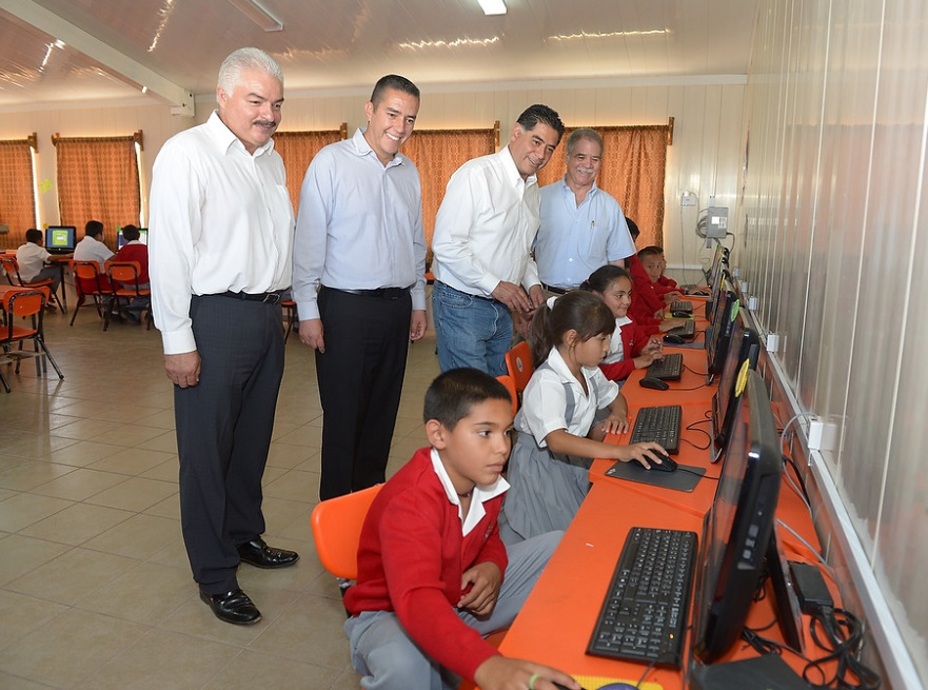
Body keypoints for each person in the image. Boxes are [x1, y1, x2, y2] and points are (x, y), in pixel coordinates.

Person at [148, 47, 298, 626]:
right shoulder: (188, 154)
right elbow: (170, 253)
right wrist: (177, 340)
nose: (268, 114)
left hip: (264, 316)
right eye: (256, 100)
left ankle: (242, 535)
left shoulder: (271, 160)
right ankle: (214, 573)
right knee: (206, 452)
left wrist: (281, 306)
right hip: (212, 318)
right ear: (222, 96)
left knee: (251, 442)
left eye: (276, 104)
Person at [344, 368, 580, 690]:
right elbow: (416, 597)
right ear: (438, 434)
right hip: (392, 614)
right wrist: (487, 665)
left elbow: (489, 536)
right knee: (405, 665)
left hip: (454, 596)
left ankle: (461, 650)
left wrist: (493, 565)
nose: (502, 448)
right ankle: (453, 656)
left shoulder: (484, 476)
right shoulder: (411, 502)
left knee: (559, 547)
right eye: (485, 433)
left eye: (506, 432)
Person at [292, 74, 427, 502]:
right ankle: (335, 514)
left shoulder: (410, 173)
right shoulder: (331, 162)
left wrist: (418, 302)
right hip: (344, 310)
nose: (400, 127)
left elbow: (415, 243)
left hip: (396, 307)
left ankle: (368, 511)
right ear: (369, 110)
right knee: (343, 419)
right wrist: (308, 311)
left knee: (382, 417)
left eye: (409, 119)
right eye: (392, 114)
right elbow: (308, 244)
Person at [501, 291, 669, 543]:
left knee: (590, 518)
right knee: (564, 539)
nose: (607, 347)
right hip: (542, 469)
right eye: (602, 339)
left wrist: (619, 414)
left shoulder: (588, 369)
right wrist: (621, 451)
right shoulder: (547, 381)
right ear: (572, 338)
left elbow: (615, 397)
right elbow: (556, 439)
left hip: (570, 457)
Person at [430, 104, 565, 376]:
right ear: (516, 132)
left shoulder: (532, 190)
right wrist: (496, 286)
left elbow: (521, 252)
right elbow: (446, 245)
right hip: (461, 303)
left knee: (498, 392)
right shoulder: (477, 175)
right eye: (536, 141)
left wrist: (533, 283)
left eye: (549, 149)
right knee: (472, 397)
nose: (540, 155)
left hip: (502, 307)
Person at [534, 128, 636, 294]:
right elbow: (522, 252)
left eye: (594, 159)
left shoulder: (610, 207)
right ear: (567, 157)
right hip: (545, 297)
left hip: (591, 302)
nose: (588, 165)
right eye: (581, 157)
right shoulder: (540, 199)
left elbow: (617, 264)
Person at [582, 265, 664, 384]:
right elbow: (592, 374)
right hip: (599, 390)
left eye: (629, 294)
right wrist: (634, 363)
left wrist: (645, 349)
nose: (627, 301)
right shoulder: (587, 329)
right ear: (596, 296)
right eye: (619, 296)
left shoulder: (625, 320)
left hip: (623, 380)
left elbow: (637, 343)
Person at [112, 224, 150, 322]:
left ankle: (125, 310)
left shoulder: (122, 251)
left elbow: (115, 269)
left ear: (124, 237)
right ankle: (134, 311)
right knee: (154, 291)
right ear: (138, 235)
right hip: (144, 284)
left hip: (126, 285)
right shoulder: (146, 249)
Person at [16, 228, 62, 295]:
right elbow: (50, 258)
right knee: (58, 270)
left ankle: (43, 293)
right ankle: (49, 293)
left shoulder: (21, 248)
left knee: (43, 269)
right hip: (33, 278)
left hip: (21, 279)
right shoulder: (39, 250)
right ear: (39, 240)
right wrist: (67, 255)